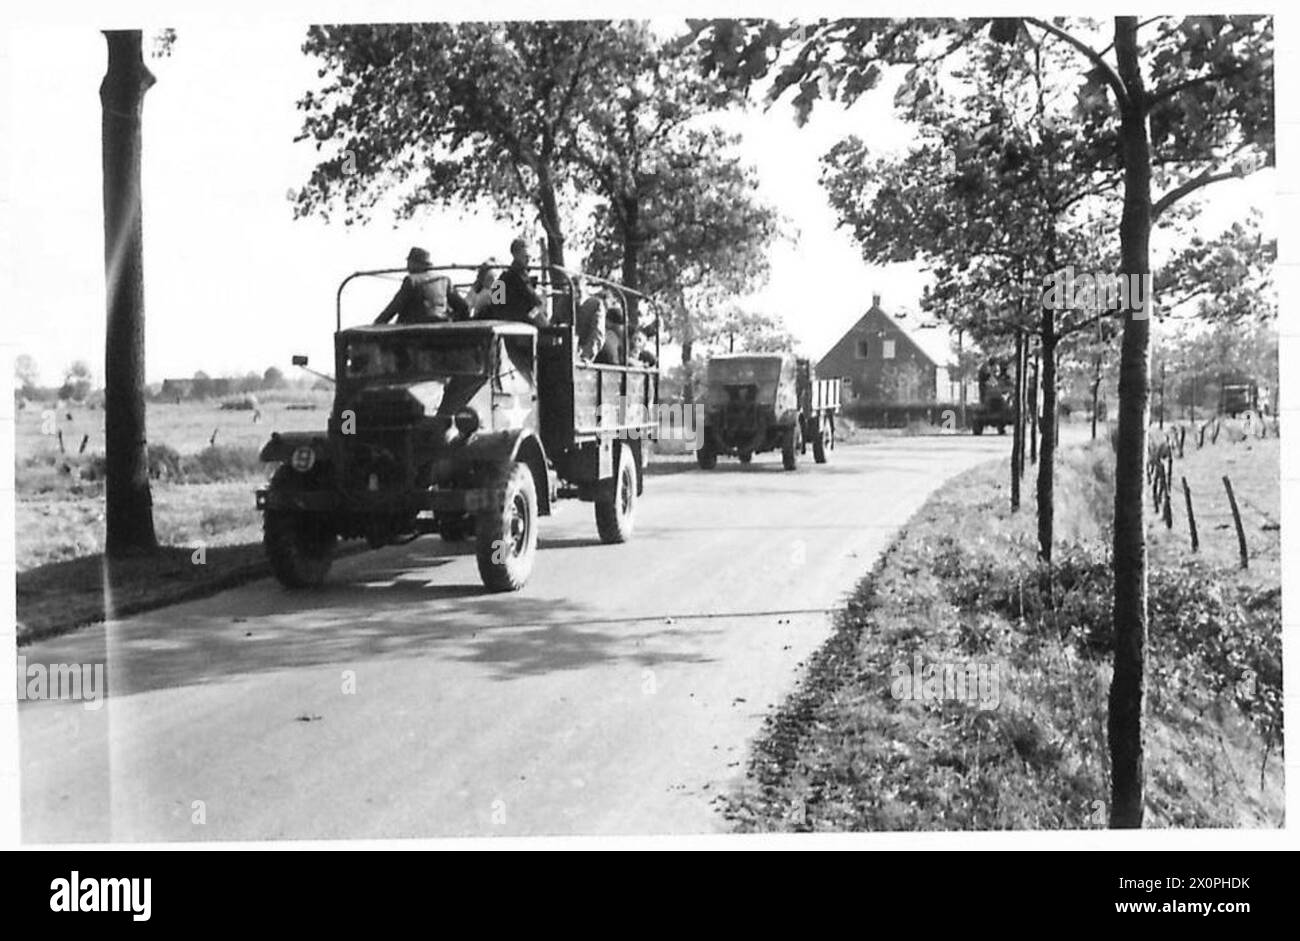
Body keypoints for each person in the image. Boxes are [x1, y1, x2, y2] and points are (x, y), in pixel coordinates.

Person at [374, 247, 469, 324]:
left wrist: (376, 325)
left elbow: (394, 307)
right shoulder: (444, 280)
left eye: (410, 262)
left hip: (414, 328)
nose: (407, 266)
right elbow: (463, 307)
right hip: (441, 324)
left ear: (417, 264)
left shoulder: (411, 280)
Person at [486, 237, 548, 326]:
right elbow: (535, 302)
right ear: (515, 254)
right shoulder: (517, 277)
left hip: (510, 322)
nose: (528, 259)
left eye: (529, 256)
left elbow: (495, 306)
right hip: (519, 323)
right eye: (525, 255)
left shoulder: (504, 278)